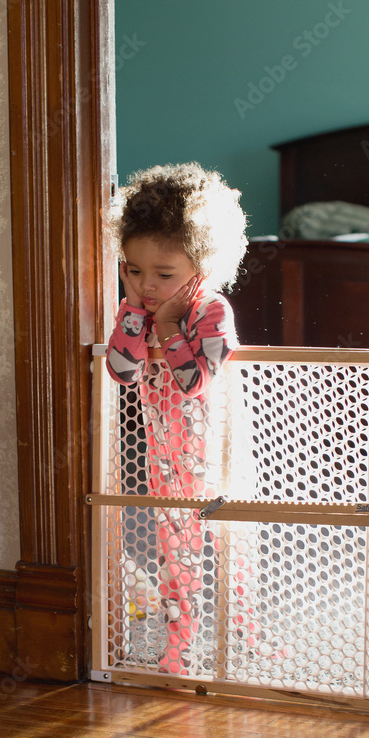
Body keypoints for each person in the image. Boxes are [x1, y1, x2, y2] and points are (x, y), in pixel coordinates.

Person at [105, 162, 252, 675]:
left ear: (202, 269)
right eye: (133, 269)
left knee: (232, 543)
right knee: (177, 551)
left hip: (218, 453)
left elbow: (194, 383)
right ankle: (180, 647)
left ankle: (246, 627)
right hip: (166, 457)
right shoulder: (137, 308)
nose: (147, 285)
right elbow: (122, 371)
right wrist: (132, 310)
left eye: (164, 275)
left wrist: (167, 325)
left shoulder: (211, 311)